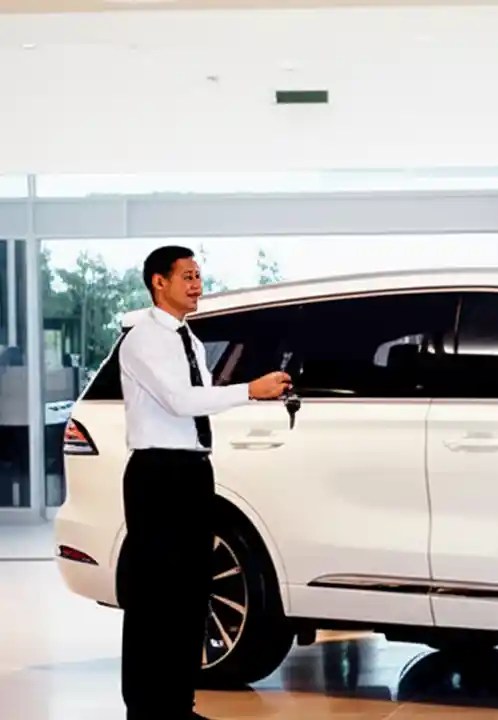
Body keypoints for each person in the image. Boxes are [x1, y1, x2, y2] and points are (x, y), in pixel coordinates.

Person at [117, 246, 291, 719]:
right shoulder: (143, 339)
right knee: (155, 596)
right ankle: (148, 707)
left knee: (193, 592)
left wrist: (253, 396)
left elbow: (200, 399)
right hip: (157, 475)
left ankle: (178, 703)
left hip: (194, 470)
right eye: (187, 276)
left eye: (199, 275)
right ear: (159, 282)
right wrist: (248, 390)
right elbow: (179, 400)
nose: (196, 284)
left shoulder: (190, 340)